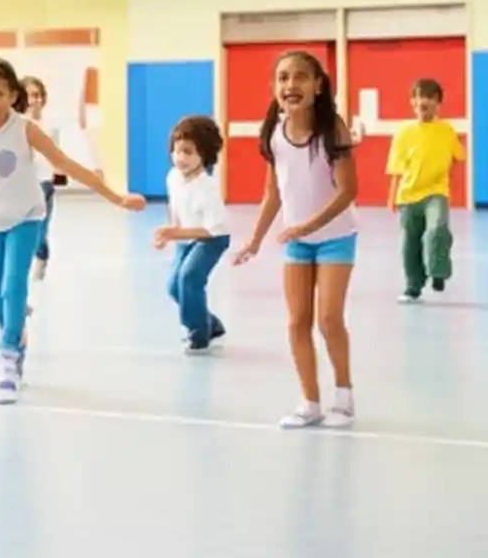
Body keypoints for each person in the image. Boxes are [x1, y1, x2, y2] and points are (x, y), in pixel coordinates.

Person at [0, 58, 145, 404]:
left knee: (13, 286)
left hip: (26, 217)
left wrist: (115, 197)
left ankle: (8, 360)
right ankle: (16, 334)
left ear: (12, 96)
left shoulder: (24, 128)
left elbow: (65, 164)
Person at [232, 51, 358, 429]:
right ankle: (310, 401)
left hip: (335, 237)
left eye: (301, 77)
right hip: (297, 243)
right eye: (283, 78)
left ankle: (344, 397)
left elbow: (349, 191)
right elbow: (273, 193)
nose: (291, 85)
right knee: (296, 322)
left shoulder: (332, 130)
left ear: (318, 86)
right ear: (274, 87)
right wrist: (254, 240)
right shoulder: (274, 134)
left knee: (329, 319)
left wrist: (306, 226)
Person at [153, 115, 229, 353]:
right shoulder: (173, 177)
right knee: (174, 287)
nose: (181, 158)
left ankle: (197, 333)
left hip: (211, 239)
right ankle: (211, 324)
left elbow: (211, 230)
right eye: (177, 151)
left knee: (189, 278)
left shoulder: (206, 187)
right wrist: (171, 231)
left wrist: (175, 233)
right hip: (186, 237)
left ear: (203, 155)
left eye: (188, 152)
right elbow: (175, 207)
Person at [385, 78, 465, 302]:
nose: (424, 102)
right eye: (419, 97)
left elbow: (458, 157)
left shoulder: (446, 131)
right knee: (409, 243)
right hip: (408, 195)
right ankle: (413, 286)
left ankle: (438, 271)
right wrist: (392, 196)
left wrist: (451, 184)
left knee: (436, 229)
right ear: (412, 101)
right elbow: (396, 167)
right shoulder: (404, 132)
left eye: (430, 97)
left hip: (436, 193)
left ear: (438, 103)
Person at [21, 76, 59, 281]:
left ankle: (41, 257)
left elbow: (57, 156)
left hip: (44, 184)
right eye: (28, 96)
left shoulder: (50, 127)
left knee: (40, 231)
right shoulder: (17, 125)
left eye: (36, 95)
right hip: (23, 185)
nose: (33, 100)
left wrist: (57, 178)